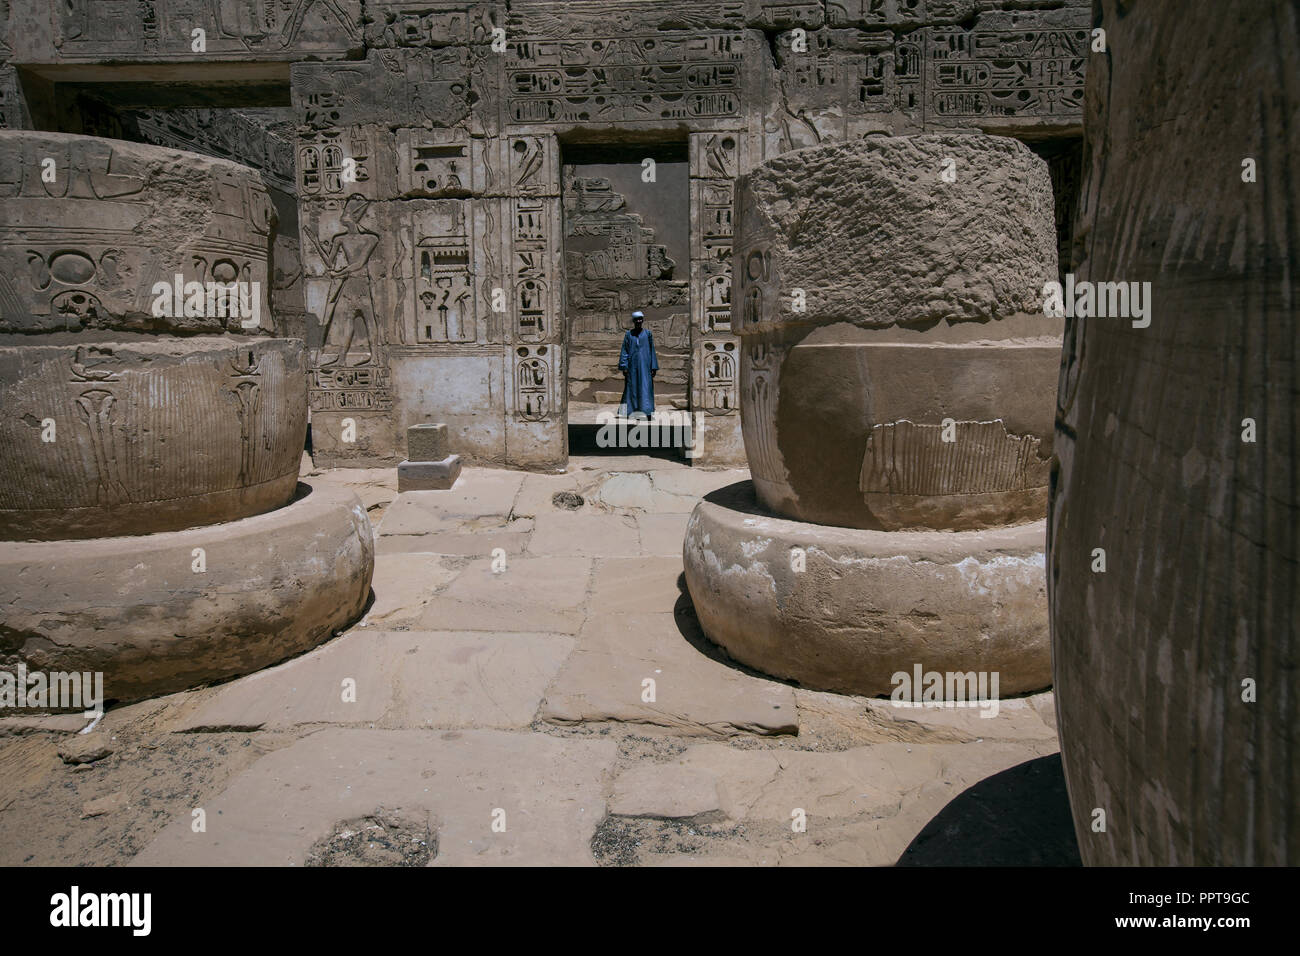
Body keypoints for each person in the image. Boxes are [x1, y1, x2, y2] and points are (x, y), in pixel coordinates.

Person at [618, 310, 658, 417]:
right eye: (637, 319)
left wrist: (653, 366)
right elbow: (625, 350)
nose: (639, 321)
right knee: (630, 388)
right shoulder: (628, 335)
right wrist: (624, 366)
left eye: (640, 319)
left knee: (645, 387)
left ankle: (646, 411)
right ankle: (627, 412)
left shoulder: (648, 334)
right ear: (634, 321)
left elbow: (652, 350)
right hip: (632, 367)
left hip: (645, 367)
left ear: (642, 320)